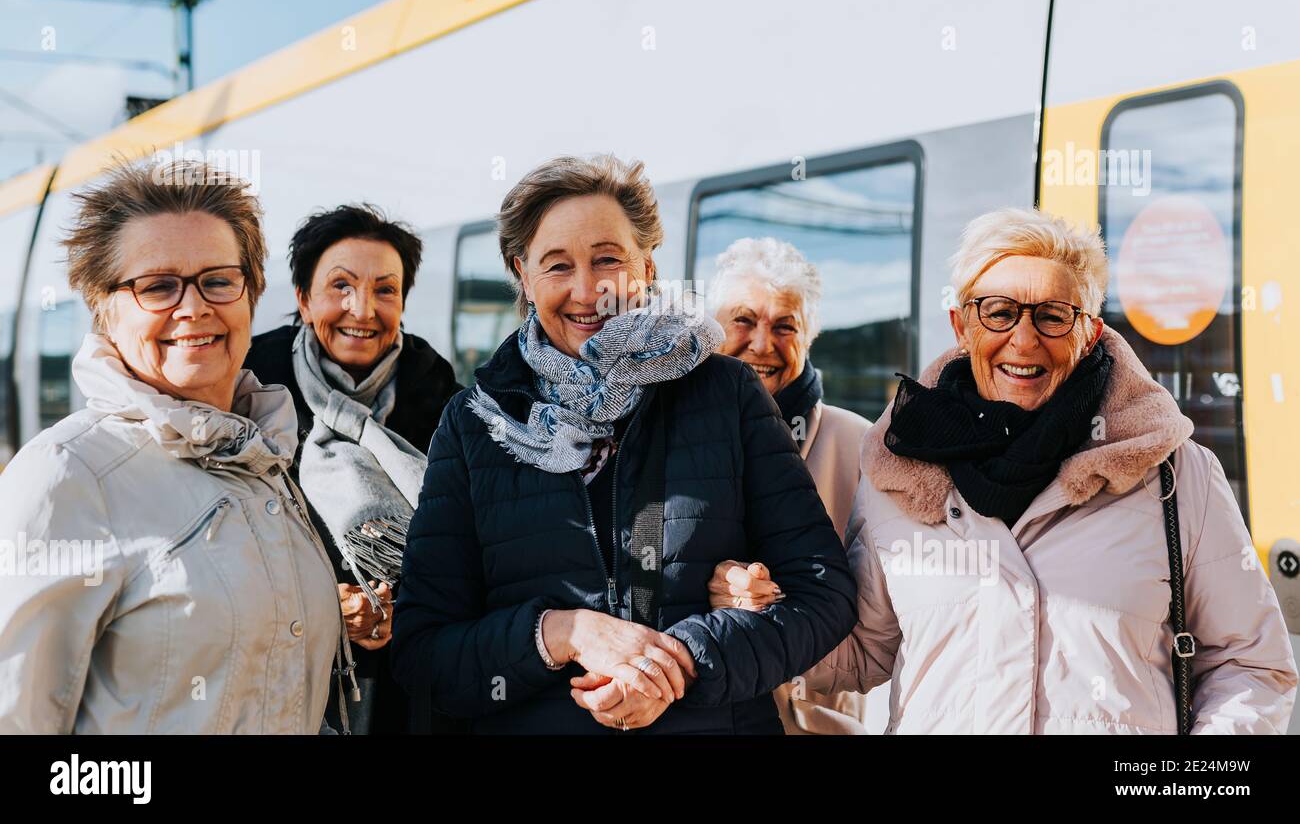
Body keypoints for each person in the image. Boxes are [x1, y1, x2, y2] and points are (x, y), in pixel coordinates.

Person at [720, 207, 1298, 733]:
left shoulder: (1176, 475)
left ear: (1089, 331)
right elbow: (862, 654)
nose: (1023, 339)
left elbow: (1251, 665)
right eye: (997, 313)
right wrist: (762, 609)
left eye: (1052, 315)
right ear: (962, 325)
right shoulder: (897, 472)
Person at [391, 154, 856, 733]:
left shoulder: (724, 393)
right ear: (523, 274)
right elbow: (425, 652)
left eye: (608, 259)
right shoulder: (476, 422)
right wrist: (562, 633)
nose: (588, 291)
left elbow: (823, 594)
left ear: (647, 267)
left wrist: (683, 661)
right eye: (557, 266)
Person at [0, 159, 342, 733]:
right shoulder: (69, 476)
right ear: (104, 309)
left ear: (251, 293)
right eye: (157, 286)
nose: (193, 307)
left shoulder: (266, 461)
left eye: (218, 280)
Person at [244, 204, 460, 734]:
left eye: (385, 290)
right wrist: (320, 608)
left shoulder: (445, 403)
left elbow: (471, 554)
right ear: (303, 299)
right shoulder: (250, 394)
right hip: (287, 693)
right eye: (340, 286)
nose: (362, 309)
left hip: (418, 695)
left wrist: (402, 605)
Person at [706, 236, 874, 734]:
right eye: (743, 320)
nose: (762, 344)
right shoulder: (675, 436)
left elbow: (880, 613)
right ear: (711, 329)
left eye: (785, 326)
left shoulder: (860, 445)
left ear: (808, 339)